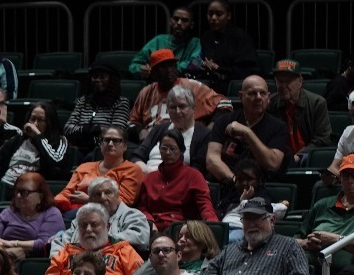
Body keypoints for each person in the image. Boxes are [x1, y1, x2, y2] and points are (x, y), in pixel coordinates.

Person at [205, 75, 289, 210]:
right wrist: (236, 181)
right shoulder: (224, 121)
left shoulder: (278, 127)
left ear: (268, 98)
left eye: (262, 93)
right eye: (252, 93)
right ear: (241, 96)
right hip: (225, 186)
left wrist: (247, 132)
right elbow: (212, 159)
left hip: (257, 191)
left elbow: (273, 163)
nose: (258, 97)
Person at [45, 203, 143, 275]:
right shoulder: (65, 252)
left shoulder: (124, 250)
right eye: (83, 225)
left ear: (108, 227)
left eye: (94, 224)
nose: (88, 229)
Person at [139, 131, 218, 229]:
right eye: (164, 148)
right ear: (159, 150)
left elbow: (205, 205)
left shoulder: (193, 175)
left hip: (182, 228)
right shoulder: (150, 178)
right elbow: (143, 208)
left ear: (182, 151)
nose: (168, 152)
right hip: (154, 228)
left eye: (172, 149)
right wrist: (150, 223)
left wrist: (213, 226)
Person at [51, 176, 149, 254]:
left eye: (108, 193)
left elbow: (141, 238)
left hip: (116, 267)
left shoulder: (132, 215)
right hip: (79, 267)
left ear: (117, 196)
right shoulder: (81, 219)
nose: (102, 198)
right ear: (91, 200)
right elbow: (62, 240)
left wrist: (101, 239)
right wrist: (60, 259)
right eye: (97, 194)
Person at [57, 127, 145, 210]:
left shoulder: (132, 170)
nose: (110, 144)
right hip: (75, 210)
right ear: (100, 144)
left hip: (111, 215)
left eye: (115, 140)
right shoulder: (84, 167)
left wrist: (90, 200)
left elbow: (125, 203)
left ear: (125, 146)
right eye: (106, 140)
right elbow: (67, 192)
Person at [131, 48, 222, 126]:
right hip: (153, 140)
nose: (169, 70)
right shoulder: (146, 93)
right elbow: (131, 123)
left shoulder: (192, 86)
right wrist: (140, 132)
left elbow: (224, 104)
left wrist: (212, 127)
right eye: (164, 67)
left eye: (172, 65)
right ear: (154, 73)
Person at [0, 172, 63, 262]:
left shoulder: (51, 213)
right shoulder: (7, 212)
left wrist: (12, 243)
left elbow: (44, 244)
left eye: (25, 192)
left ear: (40, 196)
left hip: (34, 261)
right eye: (16, 191)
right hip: (3, 256)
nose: (18, 196)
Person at [270, 60, 334, 164]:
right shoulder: (270, 103)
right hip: (277, 159)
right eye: (280, 81)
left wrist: (298, 156)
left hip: (307, 158)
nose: (283, 86)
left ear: (300, 81)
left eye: (288, 81)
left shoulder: (317, 103)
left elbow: (322, 139)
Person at [0, 102, 74, 186]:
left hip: (34, 189)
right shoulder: (19, 139)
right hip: (7, 185)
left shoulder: (60, 141)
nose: (35, 124)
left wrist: (38, 136)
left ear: (49, 123)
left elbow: (56, 161)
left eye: (40, 120)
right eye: (32, 119)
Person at [194, 0, 261, 91]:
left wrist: (219, 68)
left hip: (231, 85)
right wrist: (201, 65)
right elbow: (195, 61)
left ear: (228, 15)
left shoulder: (240, 36)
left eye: (219, 14)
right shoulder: (205, 37)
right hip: (207, 85)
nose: (213, 18)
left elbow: (248, 70)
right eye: (210, 14)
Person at [62, 64, 133, 151]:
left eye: (102, 77)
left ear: (111, 80)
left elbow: (115, 133)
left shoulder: (121, 102)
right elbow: (68, 129)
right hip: (79, 147)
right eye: (95, 77)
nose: (98, 80)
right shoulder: (83, 101)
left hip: (104, 150)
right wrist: (95, 129)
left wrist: (83, 132)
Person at [128, 6, 202, 76]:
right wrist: (141, 69)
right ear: (170, 21)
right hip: (156, 84)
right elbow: (134, 65)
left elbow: (195, 64)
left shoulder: (195, 43)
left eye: (184, 20)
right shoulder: (158, 40)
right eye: (176, 19)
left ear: (191, 25)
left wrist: (163, 71)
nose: (179, 23)